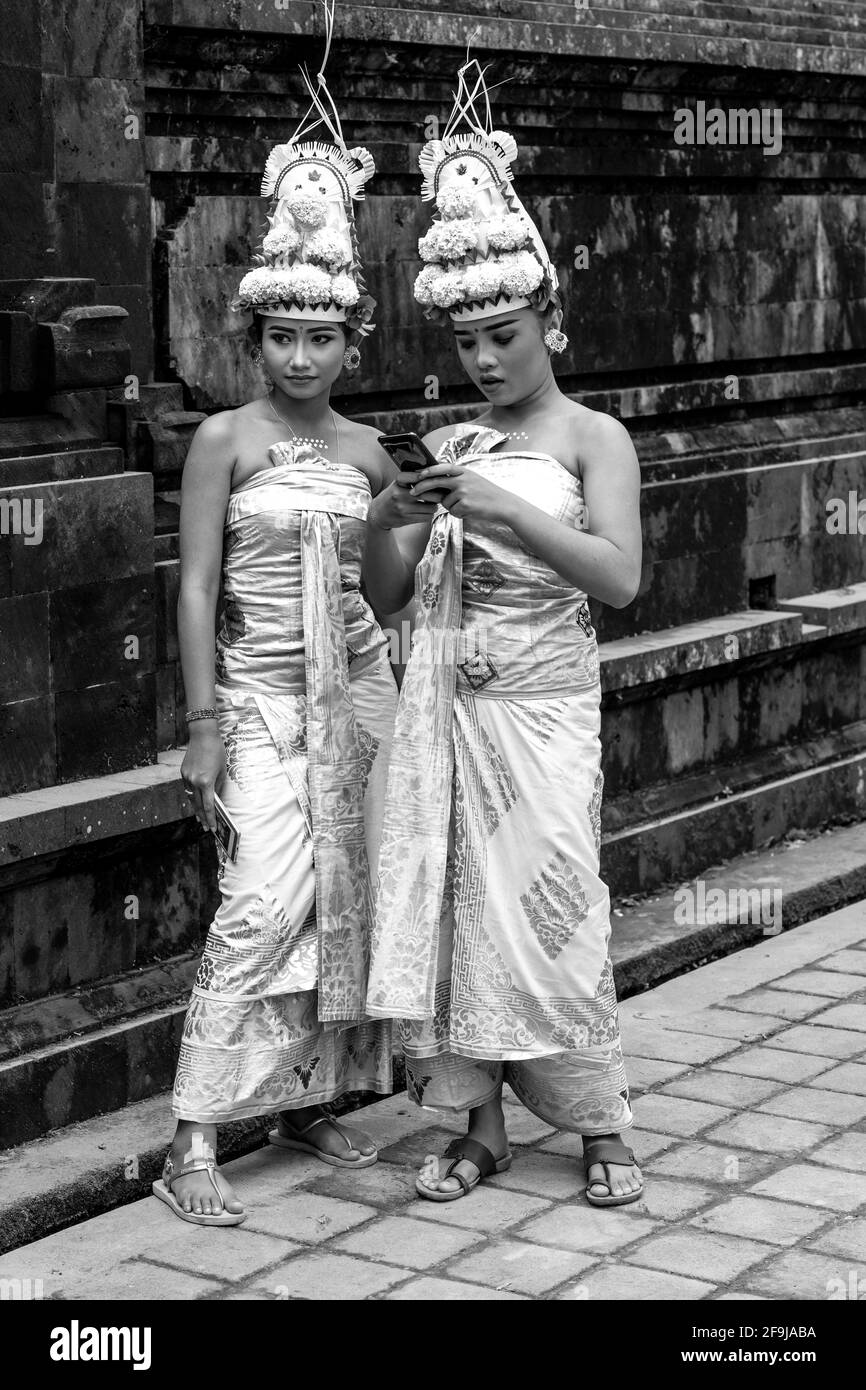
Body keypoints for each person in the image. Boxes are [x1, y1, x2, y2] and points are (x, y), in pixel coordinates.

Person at [363, 60, 644, 1207]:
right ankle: (478, 1123)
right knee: (458, 916)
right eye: (467, 338)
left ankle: (597, 1122)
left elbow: (618, 578)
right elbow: (389, 599)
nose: (483, 359)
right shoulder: (452, 446)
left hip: (542, 708)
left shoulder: (592, 438)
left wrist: (509, 514)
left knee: (555, 908)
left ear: (550, 322)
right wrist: (384, 515)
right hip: (454, 712)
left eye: (503, 333)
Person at [153, 35, 398, 1226]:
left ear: (352, 342)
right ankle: (192, 1136)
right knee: (257, 902)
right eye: (280, 337)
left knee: (347, 894)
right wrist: (201, 723)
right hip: (254, 702)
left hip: (356, 694)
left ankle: (307, 1099)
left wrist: (409, 524)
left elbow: (384, 595)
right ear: (251, 341)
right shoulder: (224, 440)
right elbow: (196, 586)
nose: (300, 357)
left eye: (321, 338)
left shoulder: (370, 453)